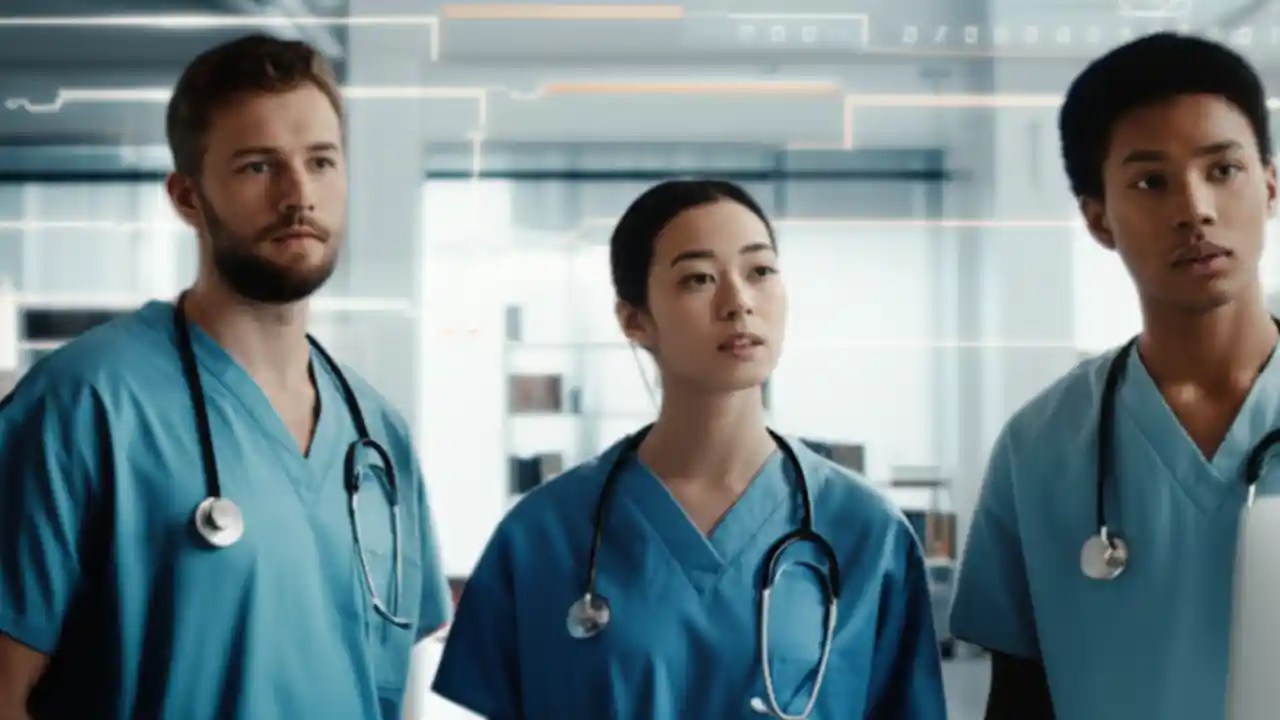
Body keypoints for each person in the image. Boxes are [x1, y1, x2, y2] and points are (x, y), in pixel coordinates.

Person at [0, 34, 451, 720]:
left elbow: (388, 688)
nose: (299, 194)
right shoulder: (84, 404)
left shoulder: (377, 434)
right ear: (187, 198)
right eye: (257, 167)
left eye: (321, 162)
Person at [431, 179, 947, 719]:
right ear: (635, 319)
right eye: (698, 278)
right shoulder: (545, 534)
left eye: (760, 271)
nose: (739, 302)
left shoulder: (864, 530)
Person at [950, 32, 1279, 720]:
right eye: (1150, 181)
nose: (1195, 209)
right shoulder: (1039, 447)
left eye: (1223, 170)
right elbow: (1019, 699)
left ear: (1271, 185)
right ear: (1098, 217)